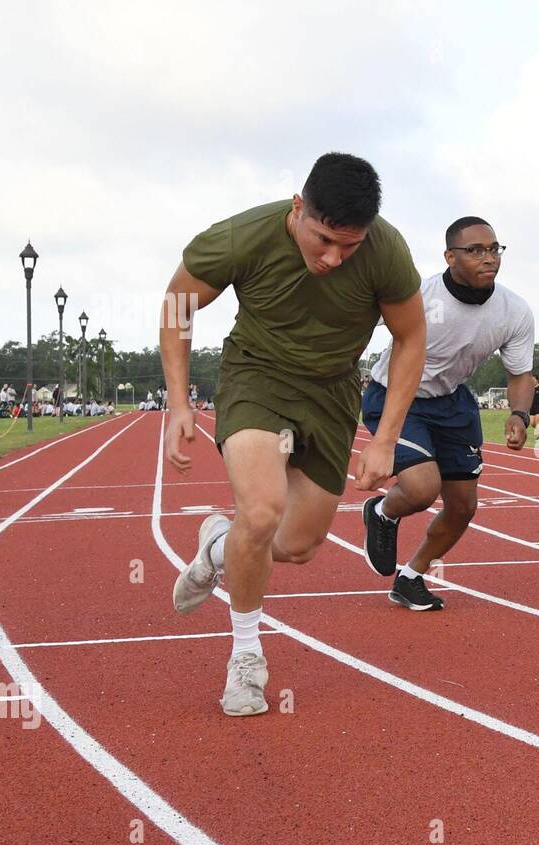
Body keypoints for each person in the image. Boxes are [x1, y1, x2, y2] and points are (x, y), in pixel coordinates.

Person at [161, 152, 426, 717]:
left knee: (299, 546)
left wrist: (383, 440)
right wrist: (178, 400)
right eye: (324, 239)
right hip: (257, 376)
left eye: (348, 247)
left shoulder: (386, 252)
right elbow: (178, 303)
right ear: (298, 207)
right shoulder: (241, 237)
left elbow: (410, 339)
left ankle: (214, 545)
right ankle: (247, 660)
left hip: (332, 392)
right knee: (259, 513)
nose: (333, 258)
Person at [362, 216, 535, 611]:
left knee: (462, 506)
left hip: (452, 402)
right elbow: (358, 326)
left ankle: (411, 577)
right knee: (422, 489)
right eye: (475, 250)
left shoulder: (514, 310)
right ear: (450, 256)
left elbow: (520, 374)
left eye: (494, 249)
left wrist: (519, 414)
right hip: (396, 397)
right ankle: (383, 512)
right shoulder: (418, 296)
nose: (488, 258)